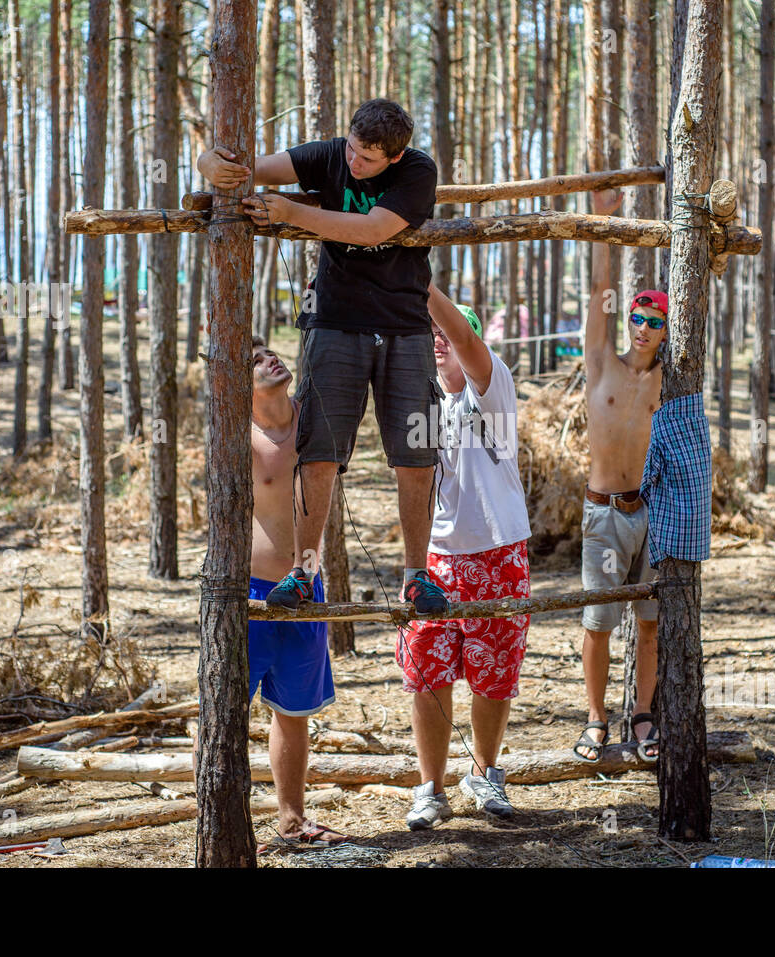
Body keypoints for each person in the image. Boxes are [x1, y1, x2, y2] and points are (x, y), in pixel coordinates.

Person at [196, 98, 448, 616]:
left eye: (368, 159)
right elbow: (248, 165)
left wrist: (291, 213)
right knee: (319, 454)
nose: (354, 164)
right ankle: (303, 572)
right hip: (333, 321)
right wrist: (206, 162)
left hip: (405, 325)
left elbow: (373, 229)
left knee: (415, 456)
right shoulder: (329, 154)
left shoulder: (419, 170)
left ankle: (416, 576)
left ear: (395, 159)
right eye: (353, 150)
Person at [397, 285, 532, 830]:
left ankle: (485, 773)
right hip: (438, 558)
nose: (439, 342)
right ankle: (430, 789)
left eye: (447, 334)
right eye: (431, 335)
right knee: (427, 672)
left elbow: (464, 340)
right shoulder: (428, 402)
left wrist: (420, 280)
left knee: (492, 677)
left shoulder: (491, 386)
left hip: (499, 552)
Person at [573, 189, 666, 765]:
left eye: (654, 322)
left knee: (650, 625)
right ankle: (595, 720)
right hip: (603, 512)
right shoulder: (601, 362)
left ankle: (643, 716)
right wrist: (604, 226)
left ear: (665, 331)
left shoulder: (668, 382)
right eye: (636, 316)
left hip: (649, 511)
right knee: (599, 623)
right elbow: (597, 300)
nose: (641, 327)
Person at [242, 337, 345, 847]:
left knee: (294, 710)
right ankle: (218, 815)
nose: (269, 360)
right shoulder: (237, 435)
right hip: (251, 596)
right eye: (255, 360)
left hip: (306, 589)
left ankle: (290, 818)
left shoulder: (315, 417)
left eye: (270, 353)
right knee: (225, 706)